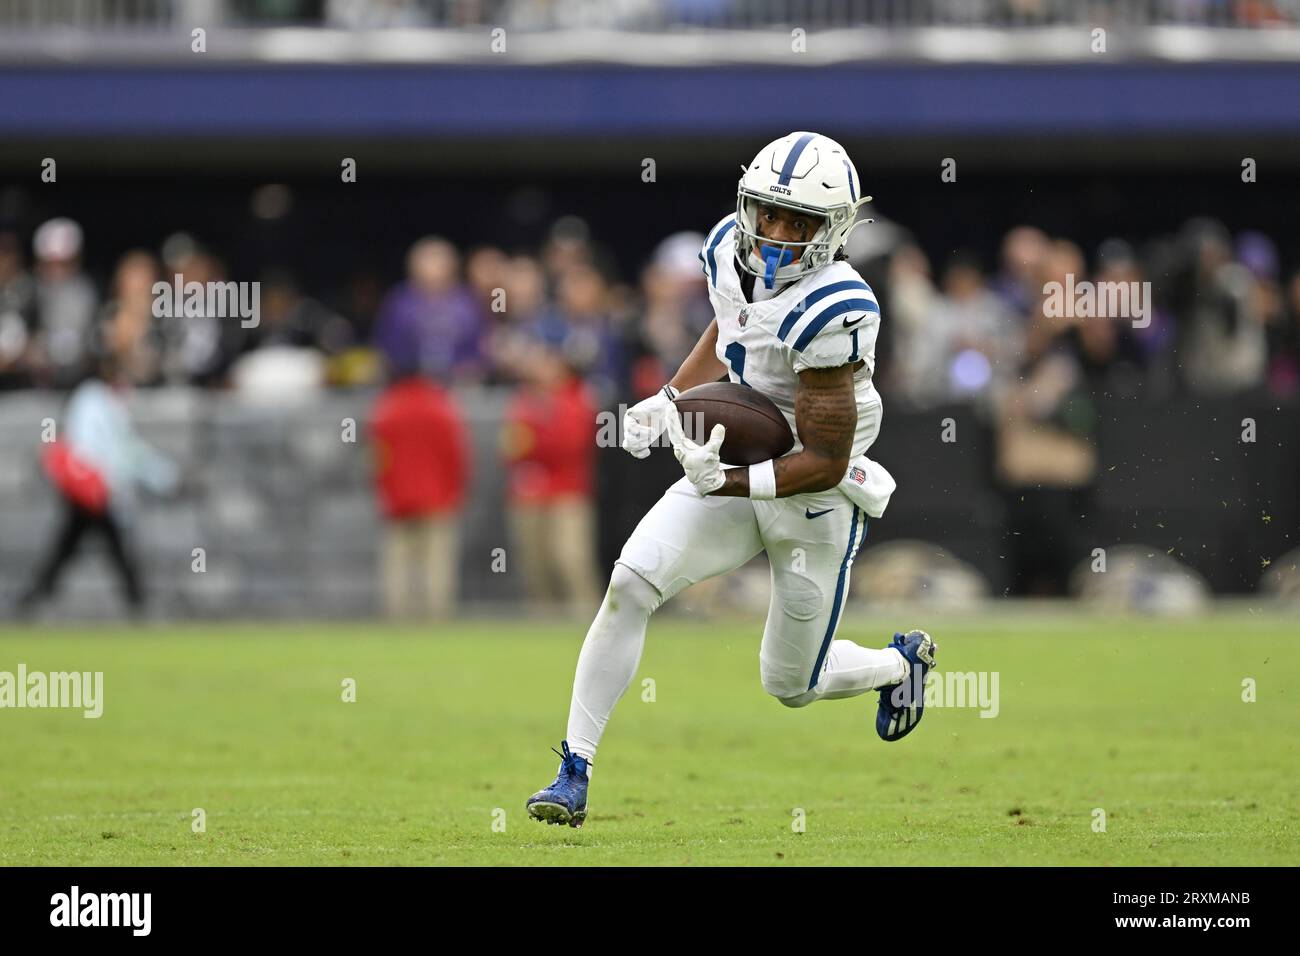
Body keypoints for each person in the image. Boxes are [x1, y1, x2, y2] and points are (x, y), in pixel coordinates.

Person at [525, 132, 935, 828]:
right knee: (629, 584)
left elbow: (825, 460)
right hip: (731, 452)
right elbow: (729, 326)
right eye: (767, 213)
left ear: (832, 230)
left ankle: (901, 665)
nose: (774, 235)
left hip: (817, 492)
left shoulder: (838, 306)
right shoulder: (725, 247)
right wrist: (671, 397)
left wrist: (731, 481)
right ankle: (574, 768)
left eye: (797, 222)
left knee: (791, 684)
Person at [18, 352, 180, 616]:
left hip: (97, 491)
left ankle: (34, 599)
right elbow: (104, 448)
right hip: (93, 491)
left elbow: (126, 450)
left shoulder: (104, 401)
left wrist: (161, 476)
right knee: (108, 549)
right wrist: (162, 477)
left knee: (72, 548)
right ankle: (137, 603)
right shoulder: (94, 400)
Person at [369, 362, 469, 619]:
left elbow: (379, 459)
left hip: (398, 498)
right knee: (436, 561)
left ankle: (398, 615)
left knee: (399, 562)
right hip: (437, 496)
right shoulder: (441, 407)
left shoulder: (387, 409)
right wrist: (455, 491)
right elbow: (456, 456)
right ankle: (436, 615)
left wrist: (385, 491)